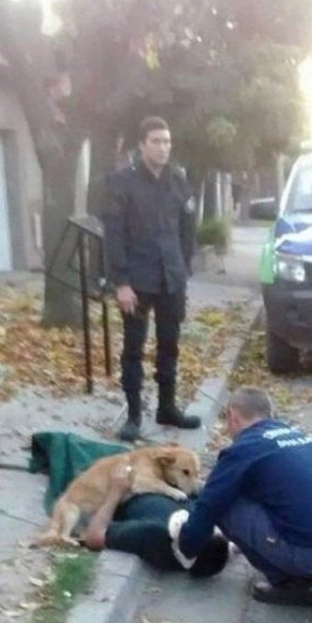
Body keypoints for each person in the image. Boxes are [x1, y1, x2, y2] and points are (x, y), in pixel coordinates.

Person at [172, 387, 312, 606]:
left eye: (227, 422)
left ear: (233, 416)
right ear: (269, 413)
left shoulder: (243, 449)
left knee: (226, 504)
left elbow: (209, 505)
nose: (227, 429)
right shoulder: (295, 434)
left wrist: (187, 547)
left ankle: (290, 583)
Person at [104, 116, 201, 442]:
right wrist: (121, 283)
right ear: (142, 145)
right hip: (137, 281)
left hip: (171, 278)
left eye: (167, 141)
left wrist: (184, 268)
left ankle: (167, 408)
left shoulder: (177, 180)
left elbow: (188, 228)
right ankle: (133, 415)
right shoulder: (122, 183)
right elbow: (113, 236)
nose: (163, 148)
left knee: (169, 346)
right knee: (133, 349)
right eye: (156, 141)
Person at [81, 464, 229, 578]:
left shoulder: (154, 534)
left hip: (126, 488)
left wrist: (116, 490)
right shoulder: (201, 538)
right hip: (160, 479)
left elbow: (95, 536)